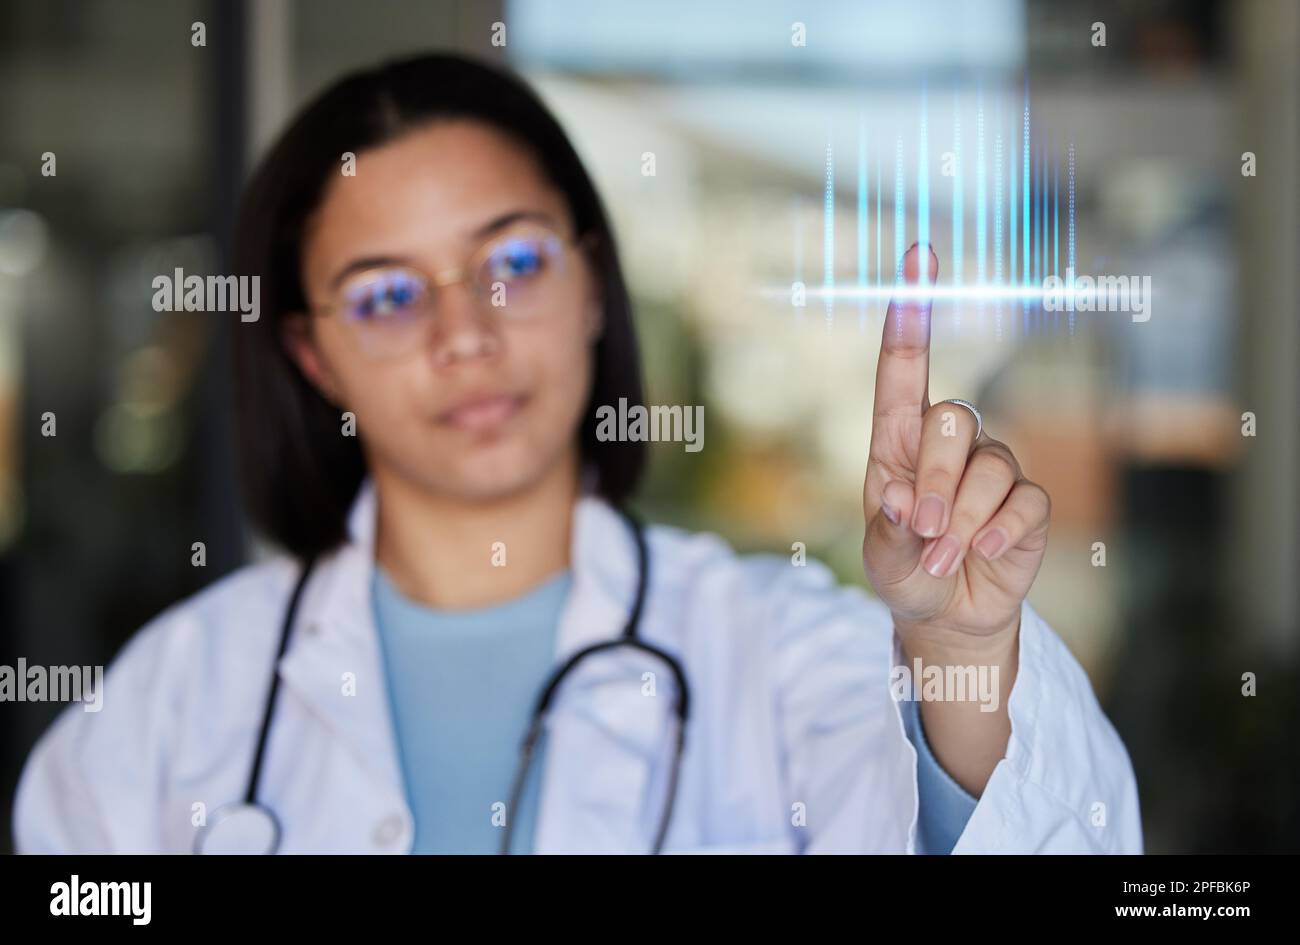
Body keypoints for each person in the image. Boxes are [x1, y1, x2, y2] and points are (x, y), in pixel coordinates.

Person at [12, 53, 1140, 854]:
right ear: (313, 358)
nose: (465, 335)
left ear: (592, 282)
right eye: (389, 294)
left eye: (514, 262)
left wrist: (956, 644)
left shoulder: (785, 652)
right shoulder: (170, 706)